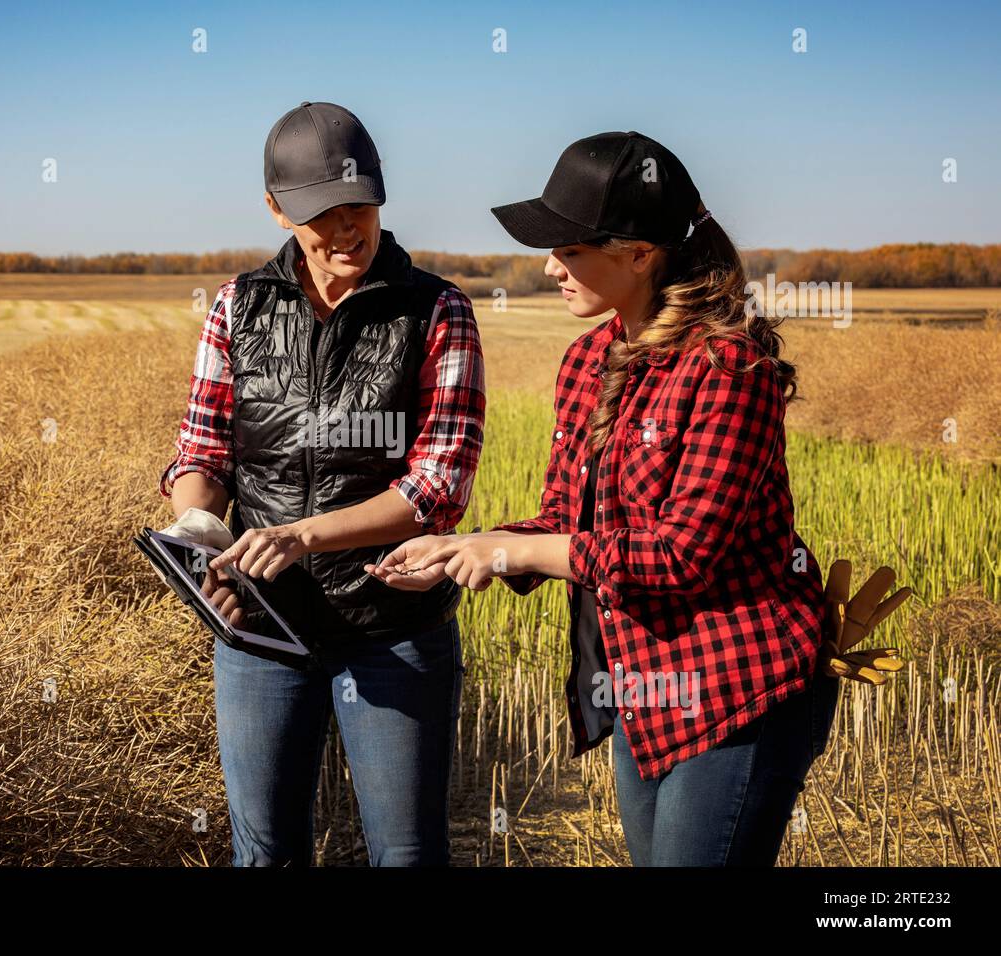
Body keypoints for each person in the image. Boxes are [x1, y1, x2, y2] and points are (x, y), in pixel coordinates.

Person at [368, 131, 839, 866]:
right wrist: (466, 549)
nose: (550, 266)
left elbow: (684, 555)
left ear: (640, 253)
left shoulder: (728, 369)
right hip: (639, 685)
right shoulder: (588, 358)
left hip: (735, 687)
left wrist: (512, 550)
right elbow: (565, 520)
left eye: (570, 248)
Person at [159, 102, 485, 866]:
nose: (346, 230)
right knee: (265, 855)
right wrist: (200, 537)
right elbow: (202, 451)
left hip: (392, 629)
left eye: (359, 207)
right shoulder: (236, 307)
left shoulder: (439, 310)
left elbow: (438, 486)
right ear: (277, 211)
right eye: (322, 213)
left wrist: (300, 536)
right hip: (263, 628)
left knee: (406, 855)